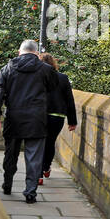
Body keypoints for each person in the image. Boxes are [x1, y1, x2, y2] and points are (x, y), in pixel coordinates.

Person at [0, 40, 60, 203]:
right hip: (37, 118)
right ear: (36, 53)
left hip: (14, 117)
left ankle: (7, 184)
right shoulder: (46, 70)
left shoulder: (7, 69)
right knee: (34, 157)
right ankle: (30, 192)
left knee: (11, 153)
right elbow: (53, 87)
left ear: (19, 52)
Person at [38, 52, 78, 182]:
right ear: (54, 64)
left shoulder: (38, 77)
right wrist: (72, 121)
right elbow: (69, 100)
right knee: (50, 142)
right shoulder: (63, 78)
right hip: (57, 116)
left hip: (41, 115)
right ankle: (46, 167)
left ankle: (38, 174)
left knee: (39, 142)